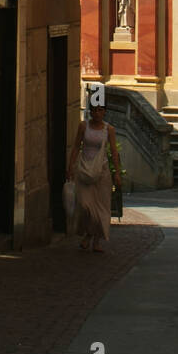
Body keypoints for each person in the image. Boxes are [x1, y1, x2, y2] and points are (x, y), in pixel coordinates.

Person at [67, 100, 121, 252]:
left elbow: (114, 152)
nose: (97, 113)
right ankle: (89, 235)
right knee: (85, 206)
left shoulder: (109, 129)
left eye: (100, 110)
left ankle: (94, 240)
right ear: (90, 112)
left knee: (101, 208)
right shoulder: (84, 126)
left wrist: (117, 172)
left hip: (102, 173)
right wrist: (70, 166)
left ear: (104, 112)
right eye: (94, 110)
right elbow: (77, 145)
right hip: (84, 170)